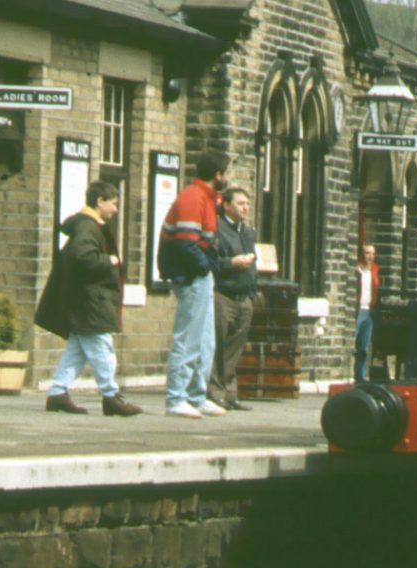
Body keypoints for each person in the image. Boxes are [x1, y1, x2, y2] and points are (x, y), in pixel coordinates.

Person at [35, 180, 142, 417]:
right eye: (113, 204)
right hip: (90, 302)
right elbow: (84, 258)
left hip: (86, 301)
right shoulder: (88, 227)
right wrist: (110, 261)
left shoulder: (87, 226)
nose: (116, 209)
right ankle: (111, 396)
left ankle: (57, 393)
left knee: (77, 351)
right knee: (103, 348)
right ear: (99, 201)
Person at [158, 149, 229, 418]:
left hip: (200, 275)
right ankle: (176, 396)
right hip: (192, 276)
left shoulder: (206, 197)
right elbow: (186, 243)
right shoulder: (193, 197)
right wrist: (203, 269)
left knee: (205, 340)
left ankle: (196, 395)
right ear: (217, 174)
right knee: (188, 336)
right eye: (224, 172)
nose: (225, 177)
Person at [209, 185, 258, 412]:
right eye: (240, 203)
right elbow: (211, 262)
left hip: (244, 297)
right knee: (218, 345)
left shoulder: (247, 232)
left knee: (234, 348)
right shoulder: (217, 228)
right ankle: (214, 392)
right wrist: (232, 263)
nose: (245, 207)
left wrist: (251, 293)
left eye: (247, 203)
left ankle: (229, 393)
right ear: (226, 205)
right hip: (223, 294)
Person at [353, 243, 380, 382]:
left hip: (369, 312)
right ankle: (352, 374)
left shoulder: (374, 271)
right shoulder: (357, 271)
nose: (370, 256)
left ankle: (360, 376)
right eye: (367, 253)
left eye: (372, 254)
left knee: (364, 348)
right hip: (358, 311)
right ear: (362, 254)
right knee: (354, 343)